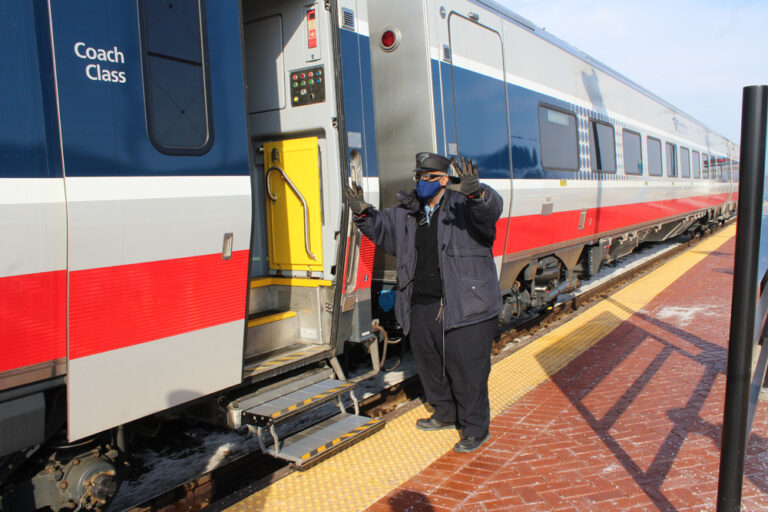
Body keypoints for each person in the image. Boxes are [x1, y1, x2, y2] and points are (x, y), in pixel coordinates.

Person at [344, 152, 503, 453]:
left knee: (468, 370)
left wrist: (478, 193)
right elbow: (384, 230)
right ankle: (445, 413)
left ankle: (474, 428)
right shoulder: (410, 212)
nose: (421, 182)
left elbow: (489, 212)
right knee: (430, 365)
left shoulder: (464, 207)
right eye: (419, 176)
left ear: (445, 180)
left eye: (429, 177)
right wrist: (363, 213)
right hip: (421, 303)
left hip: (465, 304)